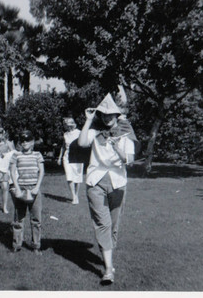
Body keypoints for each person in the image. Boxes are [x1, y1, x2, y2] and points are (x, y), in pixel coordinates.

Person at [78, 93, 137, 285]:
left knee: (113, 225)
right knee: (102, 224)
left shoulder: (126, 132)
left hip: (118, 182)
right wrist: (88, 121)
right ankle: (108, 270)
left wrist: (117, 148)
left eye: (111, 114)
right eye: (104, 114)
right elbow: (82, 143)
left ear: (117, 115)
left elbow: (130, 160)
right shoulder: (95, 131)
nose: (107, 117)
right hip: (96, 181)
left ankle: (107, 256)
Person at [9, 130, 45, 255]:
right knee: (19, 218)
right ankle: (17, 244)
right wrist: (17, 188)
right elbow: (13, 172)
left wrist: (36, 187)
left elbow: (41, 171)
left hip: (34, 188)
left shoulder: (37, 155)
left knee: (36, 219)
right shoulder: (16, 155)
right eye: (22, 140)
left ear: (32, 142)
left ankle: (36, 245)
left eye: (27, 140)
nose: (25, 143)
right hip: (21, 188)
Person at [57, 117, 84, 204]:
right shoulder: (65, 134)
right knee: (69, 176)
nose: (67, 127)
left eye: (68, 125)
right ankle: (74, 196)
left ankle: (76, 194)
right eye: (66, 125)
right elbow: (63, 146)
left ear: (72, 124)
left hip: (78, 156)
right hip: (67, 157)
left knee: (77, 177)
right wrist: (60, 157)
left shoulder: (79, 133)